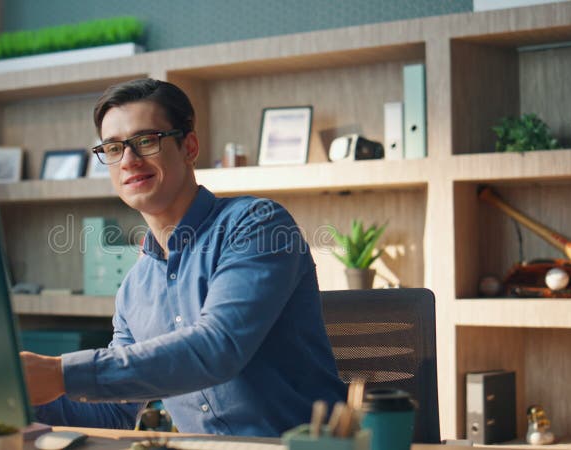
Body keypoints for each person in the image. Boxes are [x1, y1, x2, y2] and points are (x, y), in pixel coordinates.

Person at [21, 78, 346, 437]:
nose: (128, 160)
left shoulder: (257, 224)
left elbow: (218, 348)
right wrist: (16, 393)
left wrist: (60, 373)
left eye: (146, 141)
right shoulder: (133, 290)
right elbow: (114, 412)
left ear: (189, 146)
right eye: (113, 148)